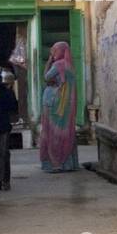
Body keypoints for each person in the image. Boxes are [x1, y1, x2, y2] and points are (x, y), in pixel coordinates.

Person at [39, 42, 79, 173]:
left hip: (54, 104)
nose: (53, 54)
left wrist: (49, 61)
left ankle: (54, 163)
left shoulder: (58, 65)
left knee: (53, 133)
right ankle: (68, 164)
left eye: (54, 51)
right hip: (66, 106)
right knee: (66, 132)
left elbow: (46, 77)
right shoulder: (70, 67)